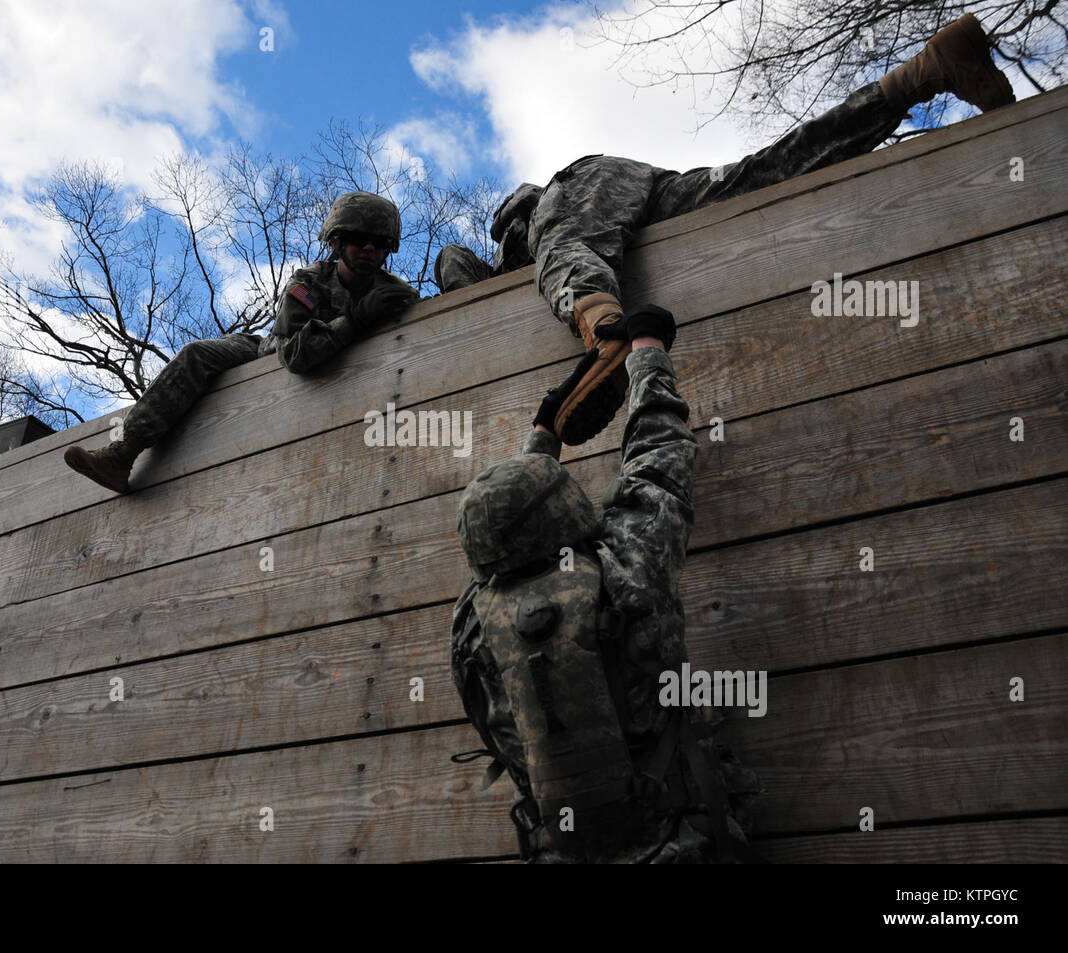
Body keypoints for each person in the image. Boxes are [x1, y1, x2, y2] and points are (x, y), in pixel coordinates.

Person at [437, 13, 1015, 446]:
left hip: (580, 189)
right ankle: (925, 72)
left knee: (566, 249)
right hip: (640, 189)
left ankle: (607, 335)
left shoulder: (532, 228)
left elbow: (475, 261)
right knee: (765, 173)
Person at [450, 305, 761, 863]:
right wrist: (647, 350)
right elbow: (659, 455)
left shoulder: (471, 626)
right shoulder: (621, 567)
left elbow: (508, 529)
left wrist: (544, 431)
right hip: (677, 848)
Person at [63, 191, 419, 492]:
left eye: (380, 243)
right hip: (268, 350)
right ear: (336, 242)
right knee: (196, 355)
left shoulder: (395, 294)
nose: (370, 249)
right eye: (359, 240)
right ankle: (123, 452)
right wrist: (355, 320)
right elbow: (292, 355)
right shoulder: (308, 282)